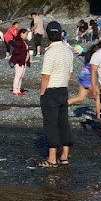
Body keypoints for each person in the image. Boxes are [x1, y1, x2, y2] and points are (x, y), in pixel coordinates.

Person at [37, 21, 73, 168]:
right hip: (63, 89)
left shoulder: (50, 53)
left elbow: (45, 76)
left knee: (51, 125)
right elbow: (70, 73)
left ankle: (52, 158)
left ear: (47, 35)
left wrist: (42, 93)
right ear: (60, 33)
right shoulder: (67, 50)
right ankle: (64, 156)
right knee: (64, 123)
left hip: (51, 91)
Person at [9, 28, 31, 96]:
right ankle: (15, 90)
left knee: (21, 76)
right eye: (25, 34)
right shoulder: (19, 41)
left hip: (23, 61)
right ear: (21, 34)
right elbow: (16, 50)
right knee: (18, 75)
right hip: (19, 62)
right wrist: (19, 59)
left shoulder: (24, 41)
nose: (26, 36)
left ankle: (18, 89)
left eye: (27, 34)